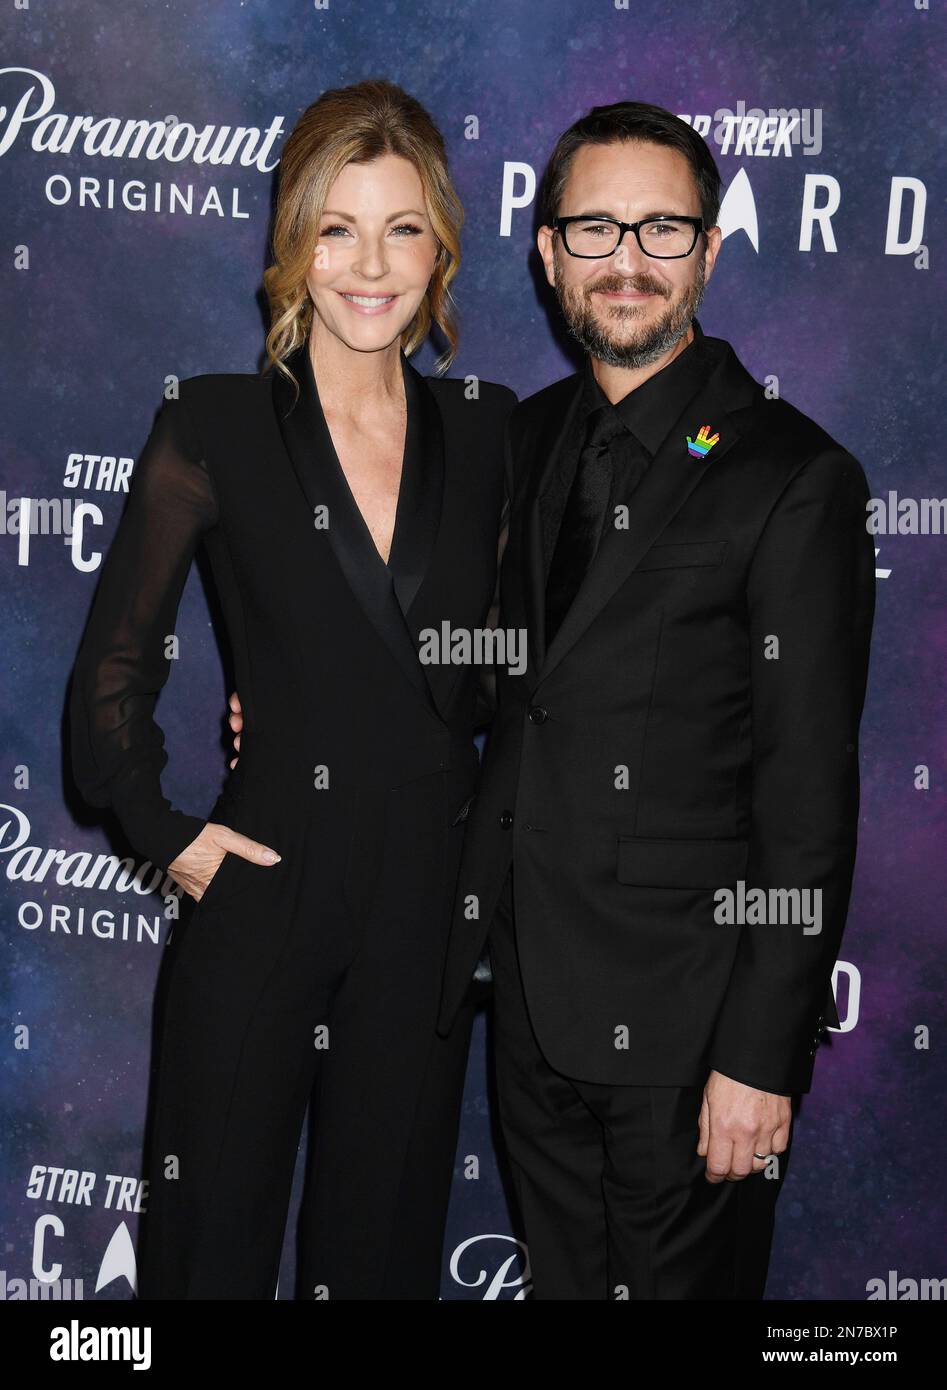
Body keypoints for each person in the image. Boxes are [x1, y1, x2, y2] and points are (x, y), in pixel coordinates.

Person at [68, 78, 515, 1300]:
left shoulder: (490, 435)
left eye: (403, 228)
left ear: (441, 250)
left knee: (378, 1263)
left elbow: (502, 676)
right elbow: (108, 678)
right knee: (202, 1258)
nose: (370, 266)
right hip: (260, 900)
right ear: (292, 244)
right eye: (337, 228)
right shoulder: (213, 424)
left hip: (422, 922)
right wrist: (169, 836)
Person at [435, 101, 876, 1300]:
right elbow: (494, 672)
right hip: (526, 1003)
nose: (625, 259)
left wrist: (757, 1056)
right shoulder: (525, 440)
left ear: (710, 250)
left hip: (689, 1036)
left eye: (661, 228)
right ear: (544, 252)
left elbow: (804, 792)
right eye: (592, 228)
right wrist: (308, 704)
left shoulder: (793, 477)